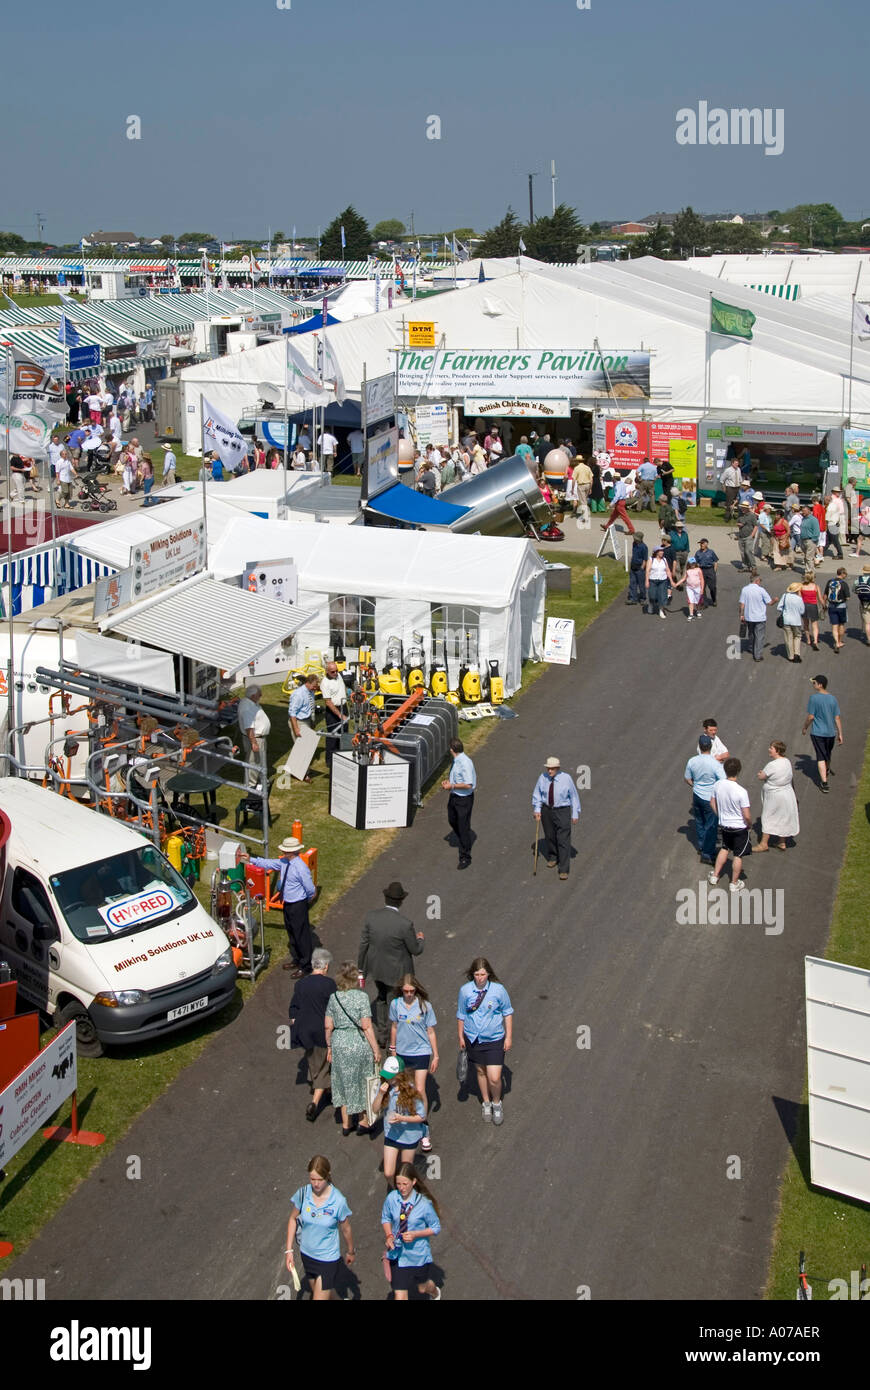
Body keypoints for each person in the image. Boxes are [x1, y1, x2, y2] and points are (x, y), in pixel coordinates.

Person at [358, 882, 424, 1047]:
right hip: (397, 973)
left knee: (381, 999)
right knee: (393, 1003)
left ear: (386, 898)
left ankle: (382, 1034)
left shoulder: (371, 917)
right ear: (401, 901)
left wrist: (361, 970)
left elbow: (363, 946)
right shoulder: (405, 924)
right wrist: (421, 939)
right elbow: (415, 949)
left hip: (377, 969)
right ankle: (390, 1038)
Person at [243, 837, 317, 976]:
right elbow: (268, 863)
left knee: (301, 935)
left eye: (284, 850)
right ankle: (297, 959)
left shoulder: (301, 867)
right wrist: (251, 859)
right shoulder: (284, 862)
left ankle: (306, 966)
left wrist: (303, 902)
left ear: (290, 852)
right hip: (288, 904)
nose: (282, 851)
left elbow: (310, 889)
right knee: (292, 932)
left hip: (298, 904)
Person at [286, 1155, 354, 1301]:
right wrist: (289, 1250)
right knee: (327, 1294)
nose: (316, 1184)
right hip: (308, 1255)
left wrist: (350, 1251)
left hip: (327, 1259)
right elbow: (292, 1219)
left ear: (327, 1176)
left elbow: (346, 1228)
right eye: (312, 1179)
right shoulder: (303, 1194)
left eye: (320, 1180)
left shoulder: (338, 1201)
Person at [324, 961, 381, 1135]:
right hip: (358, 1042)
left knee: (343, 1080)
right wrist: (376, 1049)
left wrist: (329, 1047)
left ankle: (346, 1123)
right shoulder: (362, 997)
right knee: (363, 1080)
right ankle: (363, 1121)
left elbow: (328, 1026)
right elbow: (366, 1026)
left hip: (340, 1041)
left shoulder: (334, 998)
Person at [457, 957, 513, 1124]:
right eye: (476, 974)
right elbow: (461, 1014)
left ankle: (497, 1103)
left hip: (494, 1038)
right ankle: (486, 1102)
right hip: (473, 1038)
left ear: (488, 973)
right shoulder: (465, 991)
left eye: (483, 974)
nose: (480, 978)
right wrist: (460, 1035)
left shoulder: (498, 990)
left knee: (494, 1077)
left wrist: (508, 1036)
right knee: (480, 1072)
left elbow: (507, 1012)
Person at [388, 976, 438, 1151]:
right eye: (405, 991)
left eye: (411, 991)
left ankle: (423, 1125)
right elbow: (394, 1027)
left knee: (420, 1089)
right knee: (403, 1088)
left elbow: (430, 1031)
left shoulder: (425, 1006)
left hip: (421, 1052)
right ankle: (408, 1120)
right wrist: (393, 1049)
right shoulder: (395, 1005)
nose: (409, 994)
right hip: (403, 1052)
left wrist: (436, 1055)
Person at [381, 1163, 442, 1301]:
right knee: (400, 1295)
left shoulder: (424, 1205)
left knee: (422, 1288)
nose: (401, 1188)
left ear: (414, 1181)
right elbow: (385, 1218)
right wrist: (389, 1235)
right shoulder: (392, 1198)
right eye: (398, 1184)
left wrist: (416, 1234)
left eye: (405, 1183)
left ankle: (434, 1292)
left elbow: (436, 1227)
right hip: (398, 1254)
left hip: (418, 1255)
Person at [289, 949, 337, 1122]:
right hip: (322, 1032)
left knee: (314, 1062)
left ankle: (326, 1088)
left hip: (305, 1032)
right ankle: (315, 1102)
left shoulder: (301, 984)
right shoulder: (329, 984)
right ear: (324, 967)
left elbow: (293, 1008)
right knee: (324, 1065)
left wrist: (295, 1022)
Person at [372, 1059, 428, 1184]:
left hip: (409, 1136)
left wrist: (402, 1118)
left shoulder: (411, 1090)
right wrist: (380, 1094)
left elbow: (421, 1116)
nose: (388, 1080)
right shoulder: (385, 1088)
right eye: (386, 1076)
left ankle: (408, 1192)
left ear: (399, 1075)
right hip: (391, 1134)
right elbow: (375, 1109)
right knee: (388, 1173)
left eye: (391, 1077)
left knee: (405, 1173)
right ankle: (395, 1192)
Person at [531, 755, 581, 880]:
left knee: (563, 839)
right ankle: (553, 856)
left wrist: (575, 813)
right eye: (548, 768)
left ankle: (563, 869)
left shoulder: (566, 778)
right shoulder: (542, 778)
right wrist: (537, 809)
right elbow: (537, 794)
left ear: (558, 768)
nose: (549, 771)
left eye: (552, 769)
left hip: (562, 811)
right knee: (550, 835)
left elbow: (574, 796)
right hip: (547, 810)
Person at [709, 758, 752, 894]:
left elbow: (712, 803)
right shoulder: (741, 792)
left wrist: (720, 816)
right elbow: (746, 815)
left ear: (725, 770)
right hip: (739, 827)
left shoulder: (718, 785)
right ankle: (734, 883)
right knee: (738, 855)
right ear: (738, 771)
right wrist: (748, 825)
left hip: (724, 825)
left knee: (725, 848)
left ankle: (715, 876)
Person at [684, 734, 726, 864]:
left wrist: (695, 785)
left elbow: (687, 778)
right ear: (710, 746)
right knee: (711, 825)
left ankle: (702, 846)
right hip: (710, 798)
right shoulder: (715, 763)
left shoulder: (692, 761)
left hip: (697, 795)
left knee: (700, 822)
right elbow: (723, 780)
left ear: (699, 746)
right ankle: (707, 854)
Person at [802, 674, 843, 793]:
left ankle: (824, 783)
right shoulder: (833, 699)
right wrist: (840, 733)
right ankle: (827, 768)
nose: (813, 685)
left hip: (818, 733)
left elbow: (810, 717)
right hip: (831, 733)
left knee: (820, 756)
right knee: (827, 753)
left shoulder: (814, 698)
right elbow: (837, 718)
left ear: (820, 685)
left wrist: (804, 728)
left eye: (814, 683)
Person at [756, 742, 800, 852]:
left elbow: (762, 776)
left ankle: (763, 844)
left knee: (767, 817)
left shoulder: (772, 765)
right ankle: (782, 842)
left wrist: (760, 773)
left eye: (771, 748)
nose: (769, 749)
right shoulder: (787, 762)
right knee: (783, 817)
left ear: (777, 751)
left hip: (775, 795)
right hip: (787, 793)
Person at [442, 737, 476, 869]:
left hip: (464, 799)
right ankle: (464, 836)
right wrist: (449, 783)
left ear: (452, 750)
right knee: (452, 820)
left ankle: (465, 857)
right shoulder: (457, 761)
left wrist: (452, 786)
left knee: (462, 826)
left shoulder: (465, 763)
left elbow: (468, 784)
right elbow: (456, 777)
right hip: (454, 796)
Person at [288, 673, 320, 782]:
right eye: (314, 686)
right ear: (308, 683)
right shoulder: (298, 694)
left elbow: (310, 707)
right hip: (299, 721)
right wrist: (296, 728)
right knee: (303, 749)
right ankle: (303, 774)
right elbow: (292, 713)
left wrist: (312, 721)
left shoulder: (310, 692)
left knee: (304, 748)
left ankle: (295, 771)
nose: (316, 688)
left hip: (307, 720)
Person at [237, 684, 270, 788]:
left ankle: (261, 780)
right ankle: (251, 785)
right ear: (252, 696)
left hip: (258, 737)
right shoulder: (247, 707)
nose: (261, 696)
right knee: (254, 762)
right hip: (256, 738)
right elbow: (249, 727)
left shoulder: (250, 702)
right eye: (259, 695)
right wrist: (254, 743)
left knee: (259, 761)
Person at [739, 571, 775, 662]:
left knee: (751, 633)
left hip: (749, 617)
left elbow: (742, 604)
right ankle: (757, 655)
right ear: (757, 581)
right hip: (760, 617)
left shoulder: (745, 589)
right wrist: (775, 600)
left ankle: (751, 647)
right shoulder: (761, 590)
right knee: (759, 636)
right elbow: (770, 603)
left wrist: (742, 615)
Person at [319, 660, 347, 769]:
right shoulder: (325, 683)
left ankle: (342, 757)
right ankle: (330, 761)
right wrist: (339, 715)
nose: (335, 673)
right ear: (327, 672)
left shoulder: (338, 676)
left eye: (336, 671)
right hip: (333, 711)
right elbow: (328, 702)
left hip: (343, 707)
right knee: (332, 736)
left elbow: (342, 687)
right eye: (333, 672)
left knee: (344, 733)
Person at [776, 583, 806, 663]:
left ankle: (791, 656)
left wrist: (785, 611)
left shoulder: (785, 596)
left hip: (786, 620)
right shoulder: (799, 599)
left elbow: (779, 607)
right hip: (796, 620)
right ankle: (797, 654)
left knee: (788, 637)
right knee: (797, 636)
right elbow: (802, 611)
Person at [644, 544, 676, 619]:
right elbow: (647, 571)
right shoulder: (651, 559)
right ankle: (651, 604)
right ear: (656, 552)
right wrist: (646, 581)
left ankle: (661, 610)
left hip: (663, 581)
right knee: (652, 595)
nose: (662, 552)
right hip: (653, 580)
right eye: (660, 551)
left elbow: (668, 570)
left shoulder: (664, 560)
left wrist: (671, 581)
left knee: (662, 596)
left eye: (662, 551)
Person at [824, 569, 850, 653]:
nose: (846, 575)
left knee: (834, 625)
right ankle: (840, 641)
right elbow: (848, 597)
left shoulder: (829, 582)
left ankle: (836, 642)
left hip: (831, 606)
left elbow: (825, 595)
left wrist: (824, 604)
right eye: (845, 574)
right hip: (841, 606)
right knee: (841, 624)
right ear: (842, 574)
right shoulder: (843, 584)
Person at [799, 570, 824, 651]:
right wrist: (824, 605)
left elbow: (799, 598)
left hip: (804, 606)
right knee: (814, 625)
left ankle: (808, 640)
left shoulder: (801, 586)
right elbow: (820, 598)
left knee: (806, 624)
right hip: (813, 606)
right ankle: (815, 641)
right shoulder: (816, 587)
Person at [692, 538, 719, 607]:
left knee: (712, 587)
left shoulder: (711, 552)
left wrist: (714, 571)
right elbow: (695, 562)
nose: (701, 545)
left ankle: (714, 599)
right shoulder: (698, 553)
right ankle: (704, 603)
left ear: (706, 544)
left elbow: (715, 561)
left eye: (703, 543)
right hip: (701, 570)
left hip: (710, 570)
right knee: (702, 588)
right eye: (700, 543)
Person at [626, 531, 648, 606]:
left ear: (640, 539)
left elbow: (645, 559)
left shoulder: (644, 547)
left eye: (636, 538)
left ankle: (643, 599)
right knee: (632, 583)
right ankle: (633, 599)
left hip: (640, 568)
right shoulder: (634, 544)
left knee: (641, 585)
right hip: (633, 567)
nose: (634, 539)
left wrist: (642, 568)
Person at [824, 489, 845, 559]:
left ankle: (840, 554)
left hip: (832, 525)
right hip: (835, 524)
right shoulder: (834, 505)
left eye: (825, 500)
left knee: (835, 541)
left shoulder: (830, 507)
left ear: (827, 500)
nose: (824, 502)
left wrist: (825, 527)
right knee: (829, 540)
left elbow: (827, 518)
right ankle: (822, 552)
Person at [736, 505, 757, 572]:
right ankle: (745, 566)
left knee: (748, 551)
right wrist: (739, 525)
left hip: (749, 536)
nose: (743, 509)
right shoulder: (740, 515)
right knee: (742, 553)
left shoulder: (752, 515)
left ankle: (753, 566)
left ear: (747, 508)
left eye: (744, 508)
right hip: (741, 536)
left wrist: (752, 535)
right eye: (742, 508)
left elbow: (756, 526)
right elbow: (738, 522)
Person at [798, 505, 820, 570]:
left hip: (810, 541)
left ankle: (810, 572)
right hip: (803, 540)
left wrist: (813, 540)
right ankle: (808, 570)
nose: (803, 512)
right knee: (805, 557)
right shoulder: (803, 519)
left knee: (809, 558)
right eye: (802, 511)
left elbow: (816, 531)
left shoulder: (813, 520)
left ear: (809, 511)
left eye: (804, 511)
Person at [572, 454, 593, 520]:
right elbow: (591, 479)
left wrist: (572, 488)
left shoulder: (576, 468)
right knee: (585, 500)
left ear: (577, 461)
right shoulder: (587, 467)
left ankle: (585, 516)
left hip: (581, 485)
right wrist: (590, 488)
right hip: (588, 484)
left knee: (583, 501)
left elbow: (573, 479)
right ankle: (585, 514)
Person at [856, 565, 870, 645]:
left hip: (864, 603)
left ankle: (869, 639)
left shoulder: (859, 580)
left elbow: (855, 590)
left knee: (867, 623)